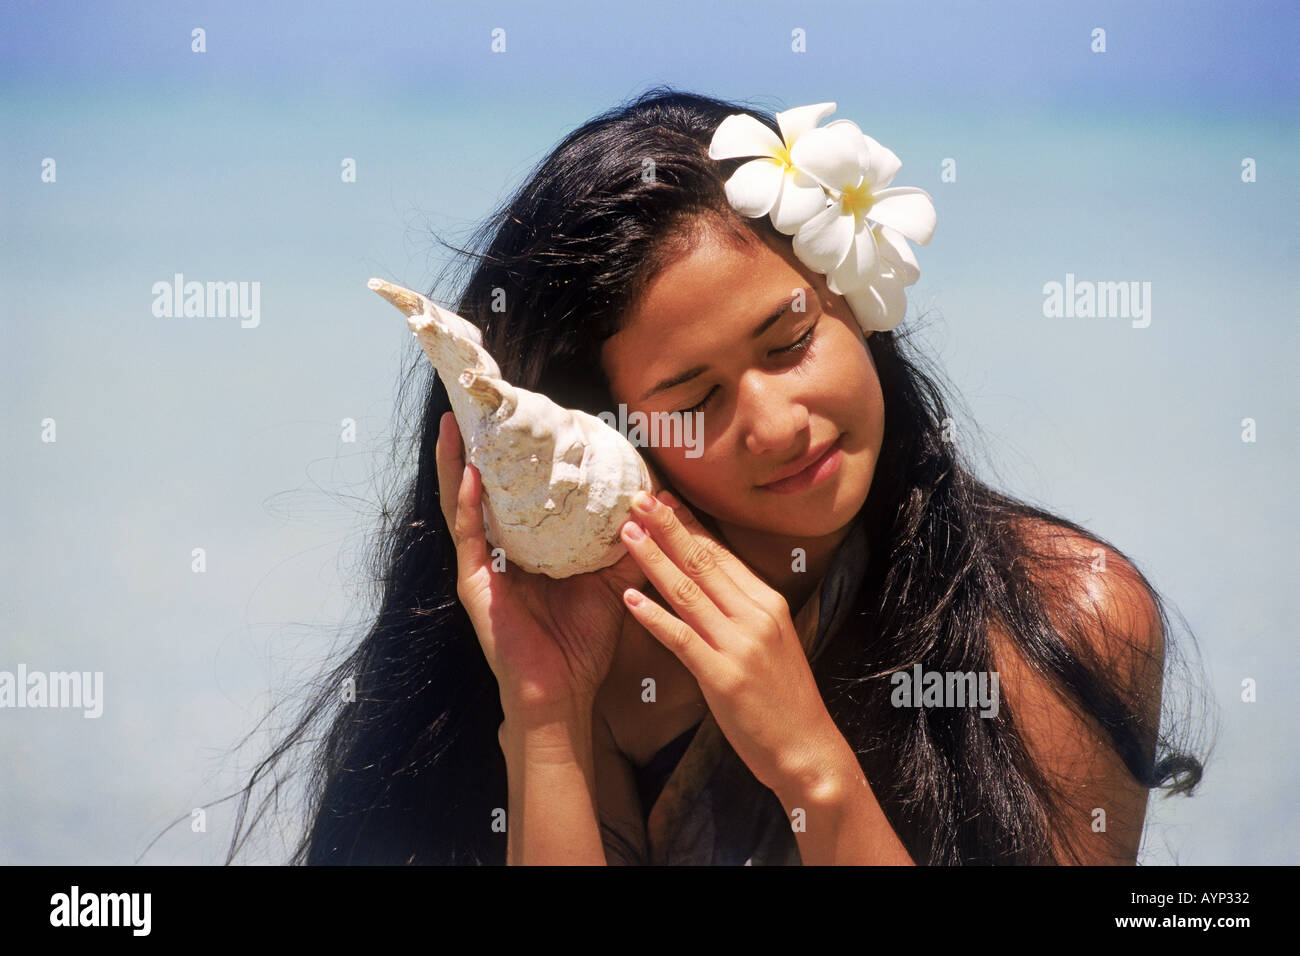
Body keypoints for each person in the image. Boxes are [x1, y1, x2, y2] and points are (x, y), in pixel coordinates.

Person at [224, 86, 1207, 866]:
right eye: (692, 401)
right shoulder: (606, 643)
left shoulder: (1061, 615)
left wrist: (809, 765)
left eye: (789, 339)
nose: (776, 424)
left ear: (848, 293)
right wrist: (546, 721)